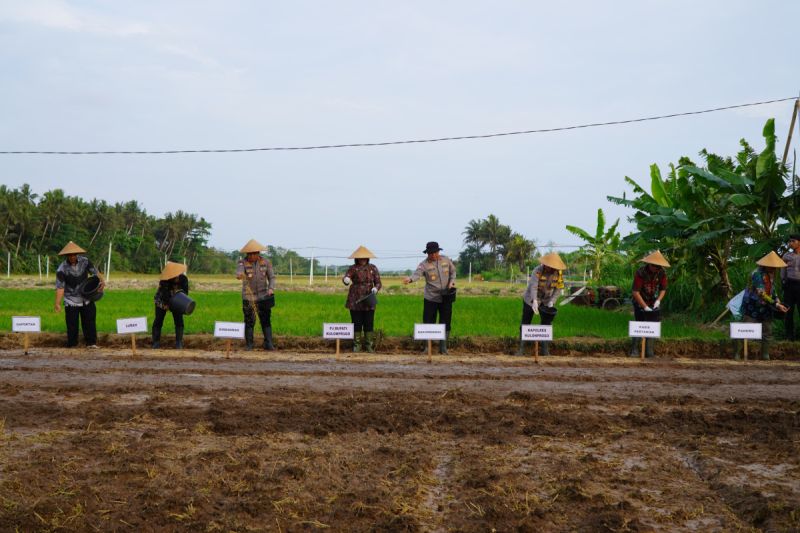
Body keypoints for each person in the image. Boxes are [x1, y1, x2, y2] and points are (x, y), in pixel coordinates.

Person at [403, 241, 456, 354]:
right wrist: (410, 279)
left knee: (445, 321)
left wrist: (451, 282)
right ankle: (427, 347)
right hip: (431, 298)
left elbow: (453, 272)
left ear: (438, 251)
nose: (432, 255)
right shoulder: (424, 264)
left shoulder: (446, 260)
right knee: (428, 322)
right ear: (427, 253)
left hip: (446, 297)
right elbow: (417, 274)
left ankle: (443, 348)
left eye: (434, 253)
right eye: (430, 253)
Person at [738, 251, 789, 360]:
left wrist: (777, 300)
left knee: (767, 331)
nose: (775, 269)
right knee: (745, 330)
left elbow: (772, 289)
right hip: (752, 306)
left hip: (766, 306)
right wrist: (775, 304)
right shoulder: (756, 274)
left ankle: (765, 355)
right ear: (766, 265)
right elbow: (761, 293)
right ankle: (737, 354)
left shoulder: (771, 273)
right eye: (772, 267)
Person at [54, 241, 104, 348]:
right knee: (72, 324)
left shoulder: (85, 262)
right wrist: (57, 303)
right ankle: (72, 345)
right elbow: (60, 287)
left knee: (89, 321)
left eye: (74, 254)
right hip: (71, 300)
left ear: (77, 254)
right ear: (66, 255)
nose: (72, 257)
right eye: (69, 255)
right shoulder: (61, 269)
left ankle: (91, 343)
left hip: (86, 297)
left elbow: (95, 273)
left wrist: (102, 283)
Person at [517, 252, 566, 356]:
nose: (551, 268)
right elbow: (533, 286)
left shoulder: (559, 274)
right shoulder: (537, 271)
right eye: (550, 266)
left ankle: (545, 350)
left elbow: (558, 289)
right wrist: (534, 301)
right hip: (530, 300)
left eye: (554, 267)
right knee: (525, 323)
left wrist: (552, 301)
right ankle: (521, 350)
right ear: (546, 264)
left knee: (546, 324)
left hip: (546, 301)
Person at [236, 239, 276, 350]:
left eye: (253, 254)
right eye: (248, 254)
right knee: (249, 321)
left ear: (257, 253)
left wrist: (271, 288)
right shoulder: (242, 263)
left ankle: (268, 343)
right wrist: (240, 275)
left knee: (266, 320)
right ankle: (249, 344)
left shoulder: (266, 262)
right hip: (248, 297)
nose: (250, 256)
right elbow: (238, 273)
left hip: (263, 296)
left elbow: (272, 277)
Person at [630, 250, 670, 358]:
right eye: (654, 266)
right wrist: (645, 307)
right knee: (639, 323)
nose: (656, 268)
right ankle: (634, 350)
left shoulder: (662, 273)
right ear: (649, 264)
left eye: (658, 266)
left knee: (652, 325)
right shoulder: (641, 272)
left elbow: (663, 289)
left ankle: (649, 352)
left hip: (653, 301)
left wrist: (658, 300)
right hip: (640, 300)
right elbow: (635, 292)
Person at [342, 245, 382, 353]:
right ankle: (357, 345)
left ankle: (369, 345)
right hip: (355, 298)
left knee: (369, 322)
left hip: (369, 297)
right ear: (357, 258)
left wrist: (375, 288)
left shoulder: (373, 268)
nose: (362, 260)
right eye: (360, 258)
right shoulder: (353, 268)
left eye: (364, 258)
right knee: (356, 321)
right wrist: (345, 279)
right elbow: (347, 277)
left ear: (367, 258)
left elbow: (378, 283)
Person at [151, 261, 189, 349]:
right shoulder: (164, 280)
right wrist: (168, 305)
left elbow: (185, 293)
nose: (176, 276)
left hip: (178, 300)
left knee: (179, 320)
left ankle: (179, 342)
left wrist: (181, 303)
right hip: (162, 301)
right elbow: (164, 294)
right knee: (158, 320)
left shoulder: (183, 279)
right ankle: (155, 342)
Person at [781, 234, 800, 341]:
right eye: (790, 241)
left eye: (793, 241)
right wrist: (783, 281)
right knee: (788, 310)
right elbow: (783, 270)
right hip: (789, 285)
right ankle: (789, 336)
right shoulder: (787, 256)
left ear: (799, 242)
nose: (790, 243)